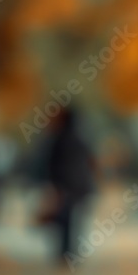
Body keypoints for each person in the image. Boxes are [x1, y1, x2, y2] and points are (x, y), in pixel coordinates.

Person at [44, 107, 96, 263]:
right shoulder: (81, 138)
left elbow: (52, 164)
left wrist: (53, 184)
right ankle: (70, 252)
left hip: (66, 185)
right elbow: (90, 161)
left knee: (64, 221)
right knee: (73, 221)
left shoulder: (58, 138)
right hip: (79, 186)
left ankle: (65, 252)